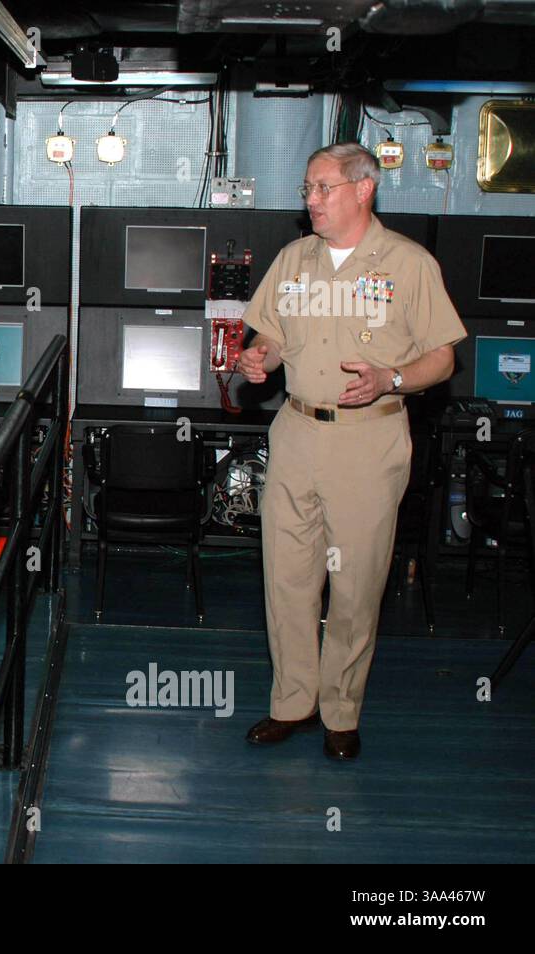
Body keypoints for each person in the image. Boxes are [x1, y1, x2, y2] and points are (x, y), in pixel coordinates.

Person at [237, 142, 466, 760]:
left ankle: (341, 710)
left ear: (364, 189)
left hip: (370, 438)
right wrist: (261, 356)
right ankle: (292, 703)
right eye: (307, 190)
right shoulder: (294, 260)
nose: (310, 201)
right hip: (295, 432)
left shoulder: (408, 263)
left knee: (354, 582)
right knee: (286, 577)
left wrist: (390, 378)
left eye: (322, 188)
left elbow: (443, 355)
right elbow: (273, 332)